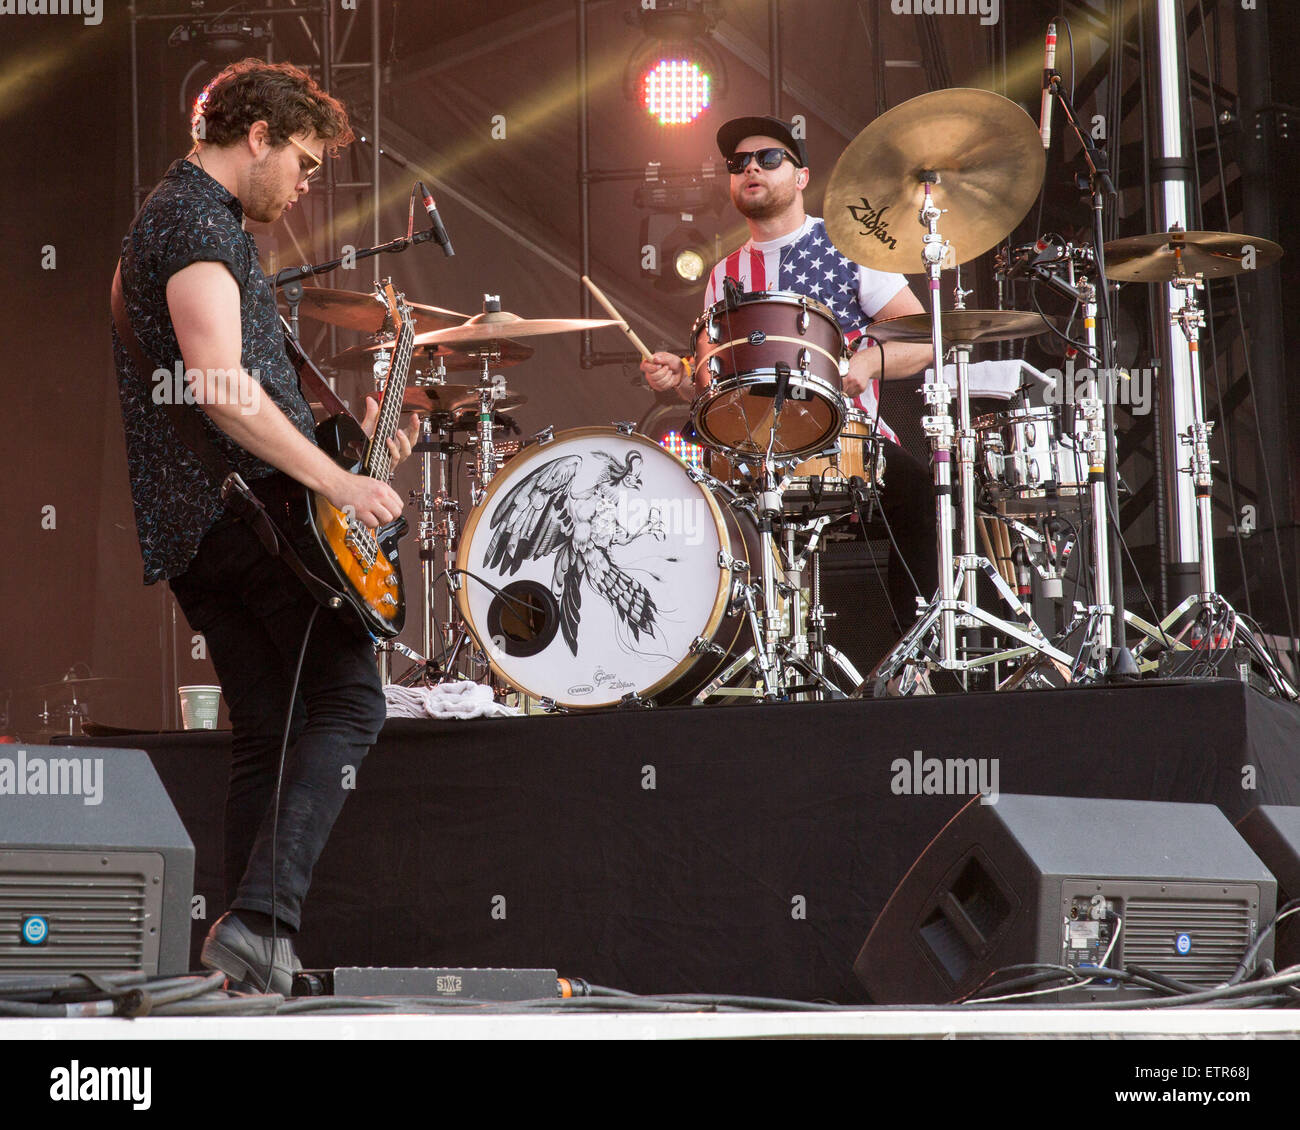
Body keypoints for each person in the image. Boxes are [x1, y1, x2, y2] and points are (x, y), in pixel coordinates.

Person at [111, 59, 418, 994]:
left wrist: (358, 463)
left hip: (204, 526)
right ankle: (261, 923)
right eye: (305, 160)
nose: (306, 182)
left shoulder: (175, 221)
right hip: (236, 520)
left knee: (270, 731)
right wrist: (337, 481)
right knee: (350, 701)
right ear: (257, 137)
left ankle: (249, 957)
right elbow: (215, 382)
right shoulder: (197, 223)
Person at [641, 115, 940, 628]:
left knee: (927, 504)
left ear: (801, 177)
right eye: (738, 164)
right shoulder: (725, 273)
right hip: (756, 453)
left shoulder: (849, 247)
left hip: (848, 437)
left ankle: (914, 660)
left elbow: (924, 337)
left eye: (769, 158)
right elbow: (715, 387)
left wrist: (868, 361)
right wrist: (683, 377)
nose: (751, 167)